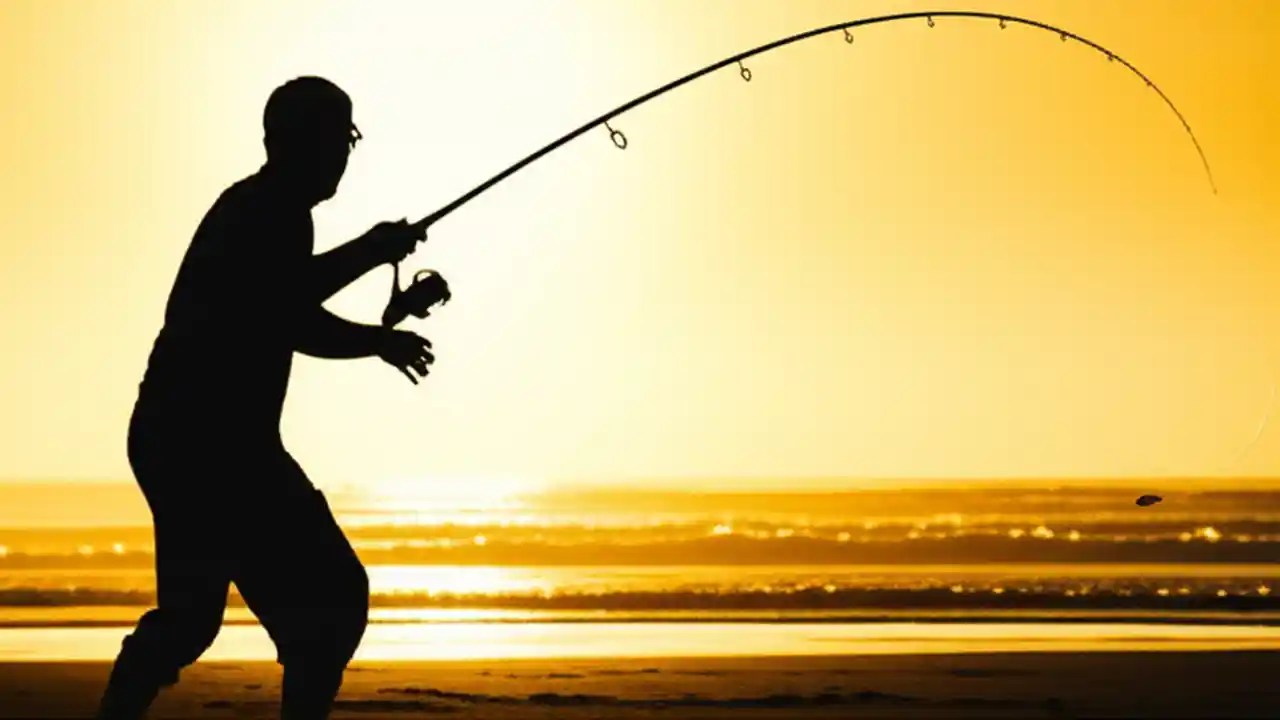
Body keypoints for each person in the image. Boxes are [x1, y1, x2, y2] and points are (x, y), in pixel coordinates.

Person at [95, 76, 435, 720]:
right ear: (297, 142)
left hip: (199, 442)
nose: (344, 153)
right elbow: (283, 312)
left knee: (199, 619)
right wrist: (375, 306)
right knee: (328, 600)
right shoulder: (261, 212)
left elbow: (286, 299)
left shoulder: (270, 211)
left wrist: (370, 261)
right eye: (339, 137)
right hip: (208, 446)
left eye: (348, 138)